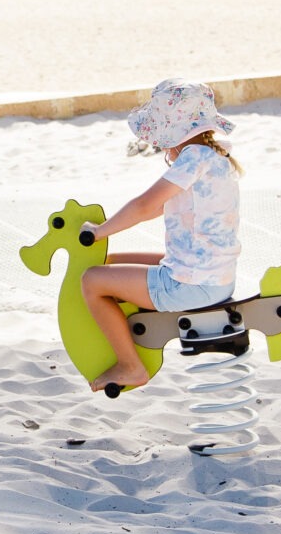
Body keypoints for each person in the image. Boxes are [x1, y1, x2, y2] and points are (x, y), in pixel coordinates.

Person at [79, 78, 242, 393]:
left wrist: (99, 231)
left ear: (172, 130)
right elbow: (160, 206)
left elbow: (144, 206)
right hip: (215, 276)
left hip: (192, 285)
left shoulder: (193, 158)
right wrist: (105, 239)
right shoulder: (214, 154)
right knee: (109, 261)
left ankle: (131, 365)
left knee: (92, 280)